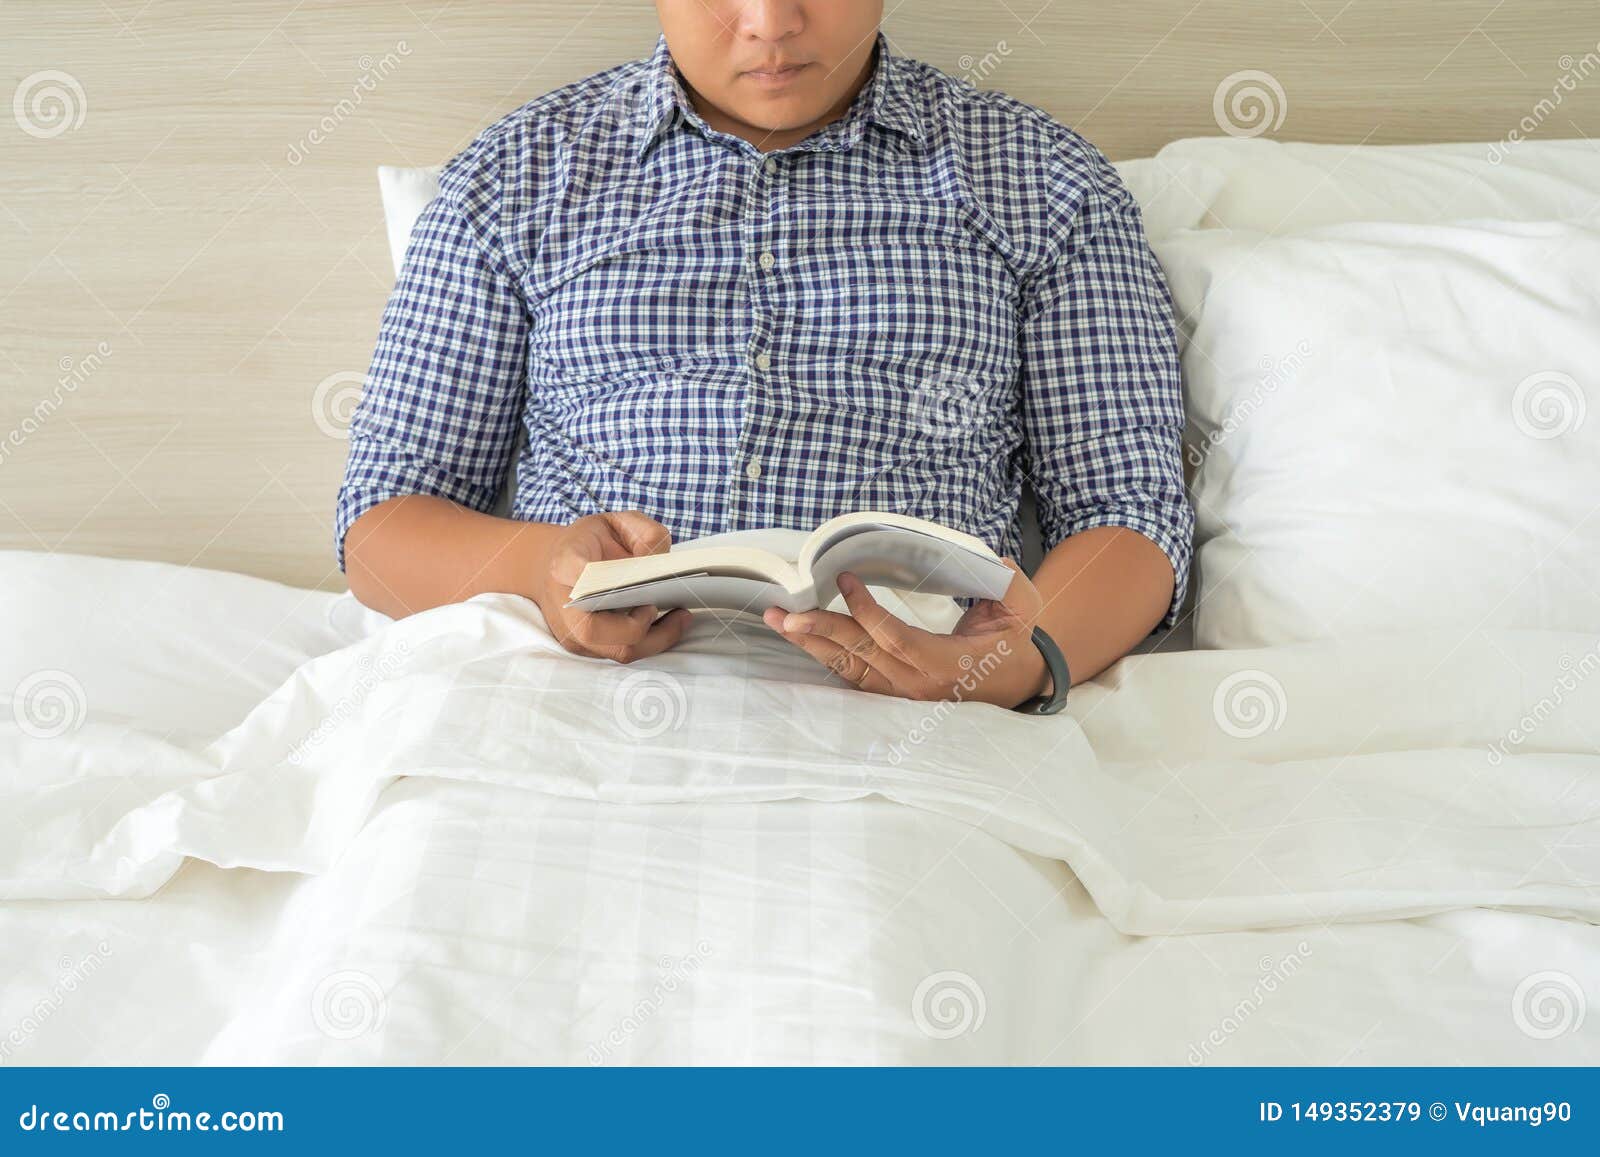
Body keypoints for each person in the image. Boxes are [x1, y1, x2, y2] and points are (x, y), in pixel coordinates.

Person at [335, 0, 1193, 710]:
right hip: (562, 685)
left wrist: (1017, 663)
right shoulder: (512, 178)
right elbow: (383, 522)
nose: (771, 22)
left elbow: (1129, 512)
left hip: (920, 706)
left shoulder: (1044, 183)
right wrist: (543, 572)